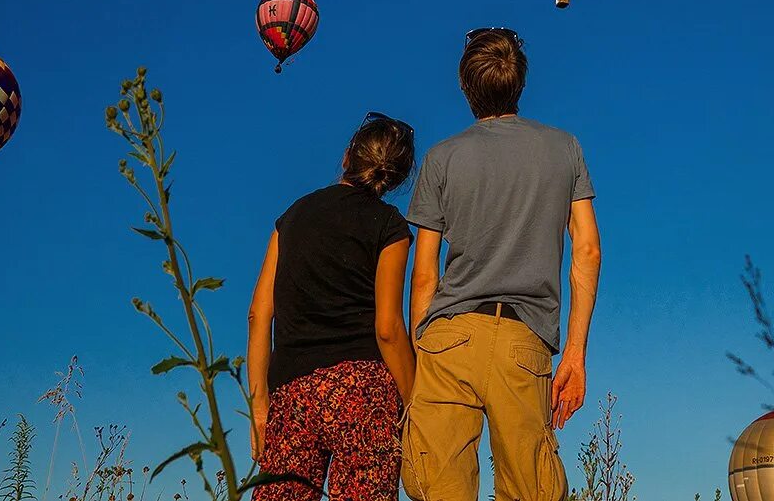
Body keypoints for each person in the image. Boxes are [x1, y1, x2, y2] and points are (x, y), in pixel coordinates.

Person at [401, 28, 602, 501]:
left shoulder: (441, 158)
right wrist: (575, 353)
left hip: (448, 337)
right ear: (521, 82)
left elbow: (424, 272)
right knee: (532, 489)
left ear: (466, 87)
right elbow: (587, 250)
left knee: (436, 486)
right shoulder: (564, 147)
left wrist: (419, 355)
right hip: (524, 340)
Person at [247, 113, 417, 501]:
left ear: (346, 157)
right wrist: (414, 402)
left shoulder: (291, 218)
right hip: (364, 391)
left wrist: (260, 406)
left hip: (292, 394)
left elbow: (259, 314)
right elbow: (388, 328)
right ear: (393, 179)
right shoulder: (389, 225)